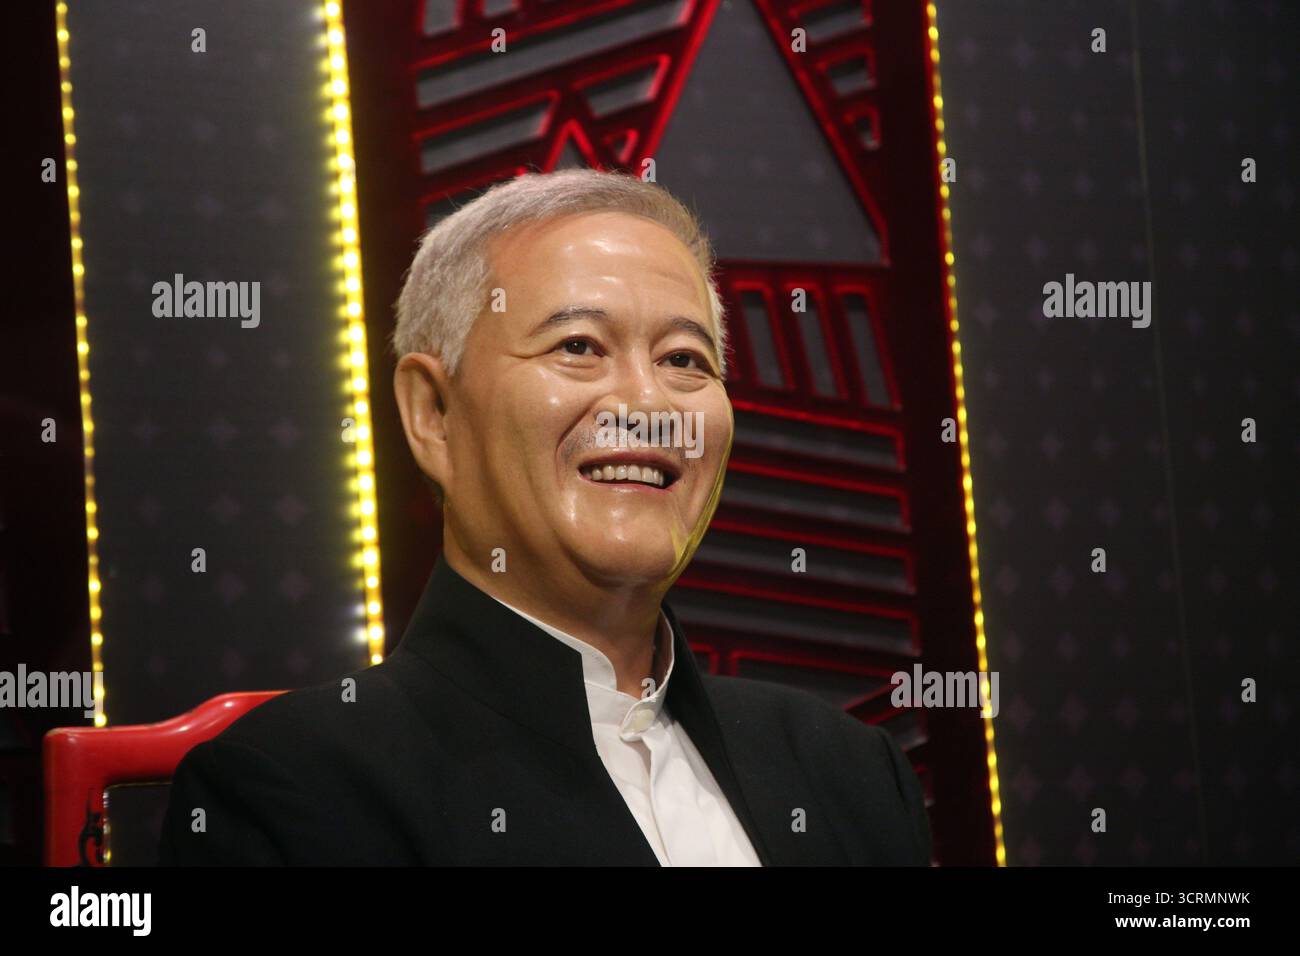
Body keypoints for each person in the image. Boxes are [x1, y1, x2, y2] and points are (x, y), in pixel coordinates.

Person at [159, 169, 931, 865]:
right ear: (433, 413)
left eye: (684, 360)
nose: (648, 406)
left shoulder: (849, 771)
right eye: (579, 346)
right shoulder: (296, 794)